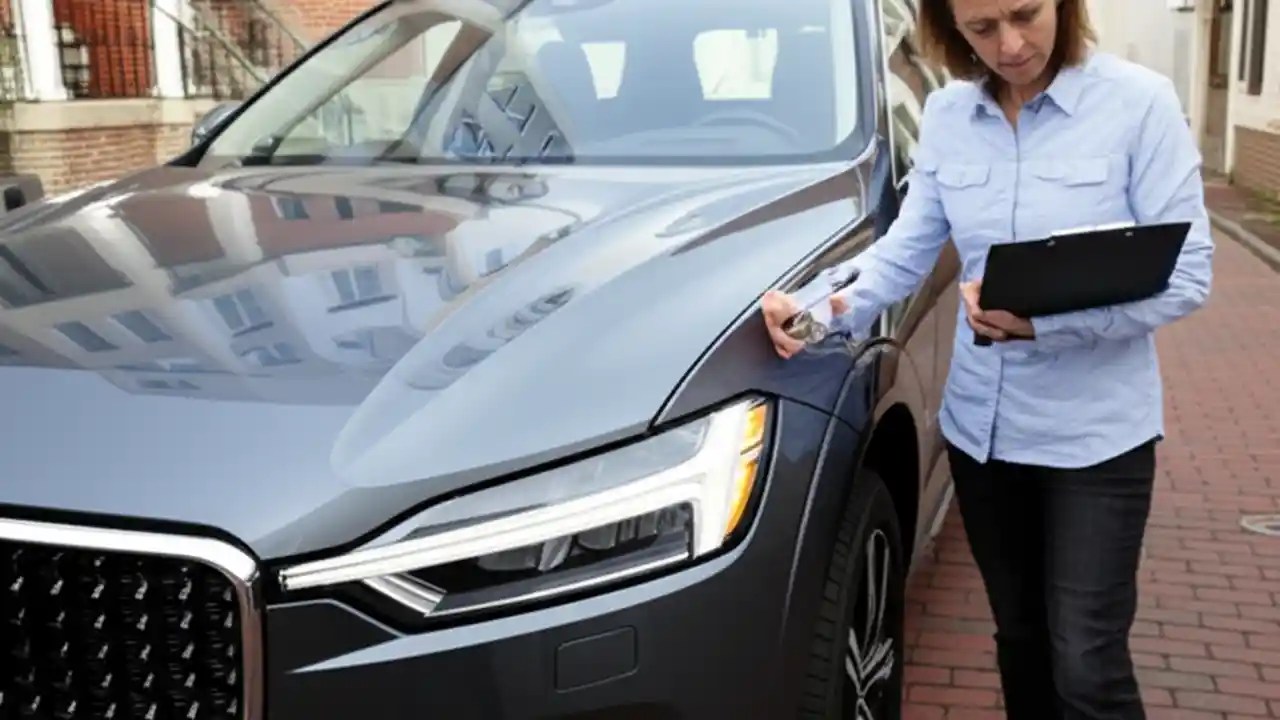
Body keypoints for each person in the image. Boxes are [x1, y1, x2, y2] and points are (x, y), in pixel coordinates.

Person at [761, 0, 1214, 718]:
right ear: (949, 29)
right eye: (981, 28)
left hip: (1096, 442)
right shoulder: (947, 116)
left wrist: (1043, 328)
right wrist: (815, 309)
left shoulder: (1139, 105)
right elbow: (908, 248)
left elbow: (1187, 276)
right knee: (1022, 642)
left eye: (1025, 15)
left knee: (1088, 663)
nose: (1009, 45)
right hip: (984, 438)